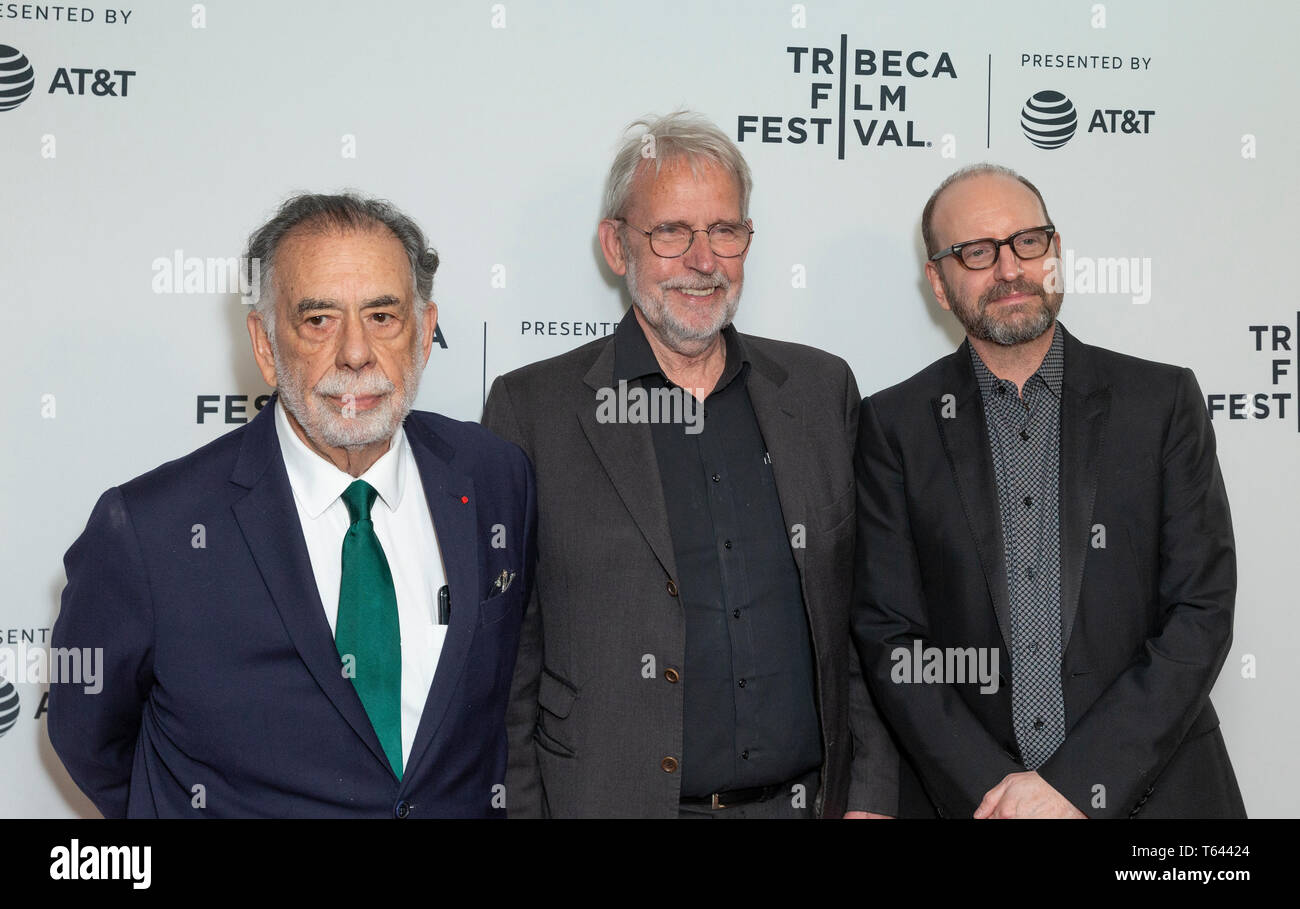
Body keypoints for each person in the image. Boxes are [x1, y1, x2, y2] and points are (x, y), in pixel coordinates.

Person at [48, 193, 535, 818]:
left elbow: (511, 702)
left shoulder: (495, 476)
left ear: (424, 332)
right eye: (318, 320)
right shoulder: (151, 530)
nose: (356, 352)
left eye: (383, 315)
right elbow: (89, 738)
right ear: (265, 343)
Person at [482, 111, 896, 818]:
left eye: (726, 230)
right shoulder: (534, 410)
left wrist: (869, 792)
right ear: (617, 245)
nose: (703, 260)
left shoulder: (822, 391)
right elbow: (507, 659)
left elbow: (865, 613)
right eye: (671, 231)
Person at [852, 163, 1245, 818]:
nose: (1009, 268)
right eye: (976, 252)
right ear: (940, 284)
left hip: (1162, 796)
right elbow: (890, 637)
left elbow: (1201, 611)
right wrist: (1001, 795)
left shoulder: (1162, 403)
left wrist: (1073, 785)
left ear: (1056, 252)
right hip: (973, 804)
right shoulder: (894, 425)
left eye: (1027, 242)